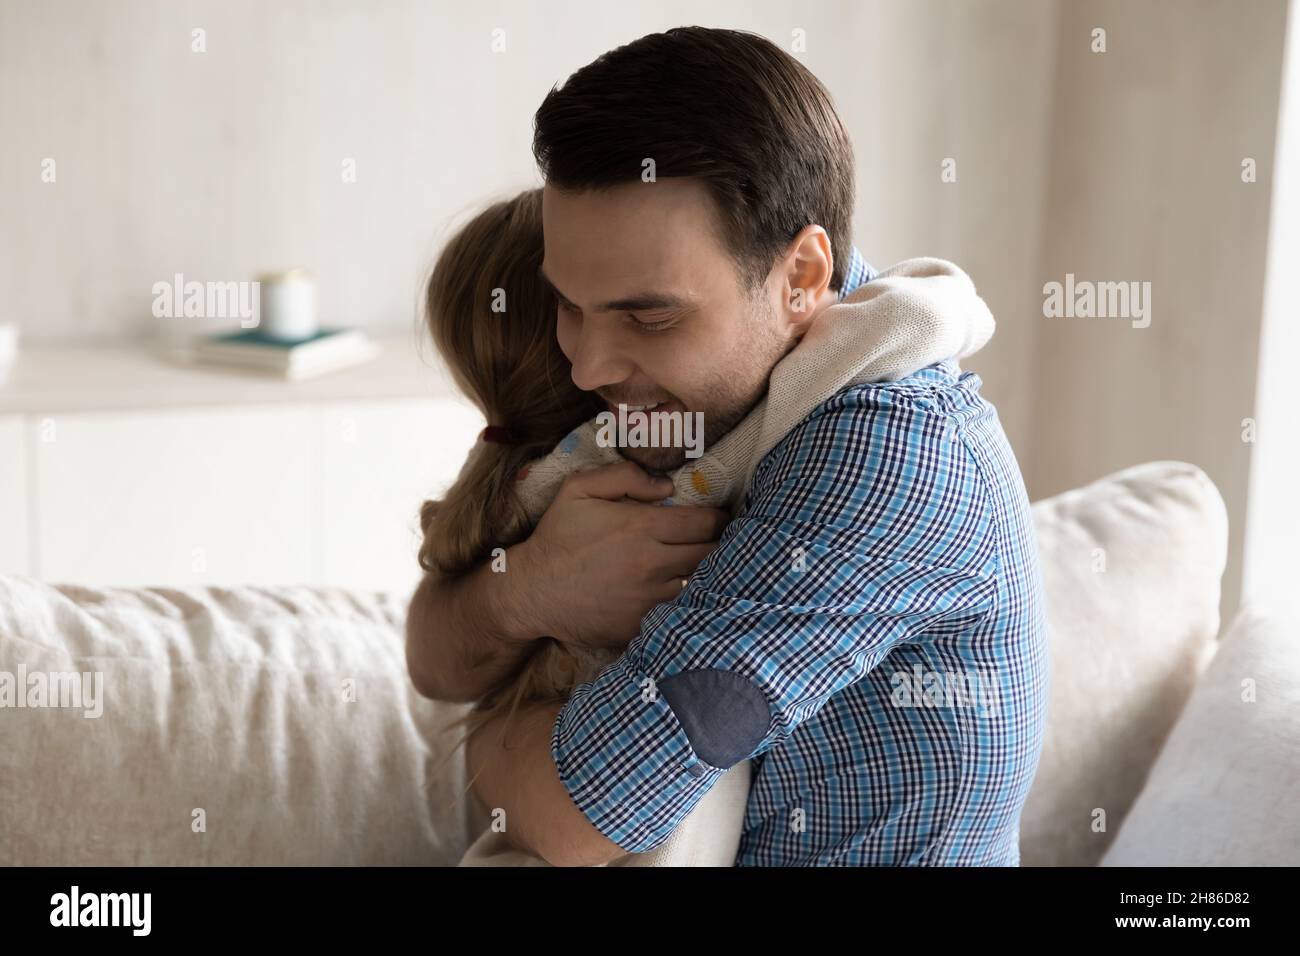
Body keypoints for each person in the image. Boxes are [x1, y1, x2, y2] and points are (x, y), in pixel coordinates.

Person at [407, 27, 1049, 867]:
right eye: (569, 304)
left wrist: (483, 743)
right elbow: (432, 653)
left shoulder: (882, 459)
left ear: (802, 278)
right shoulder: (716, 407)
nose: (590, 364)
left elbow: (584, 815)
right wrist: (528, 592)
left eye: (649, 315)